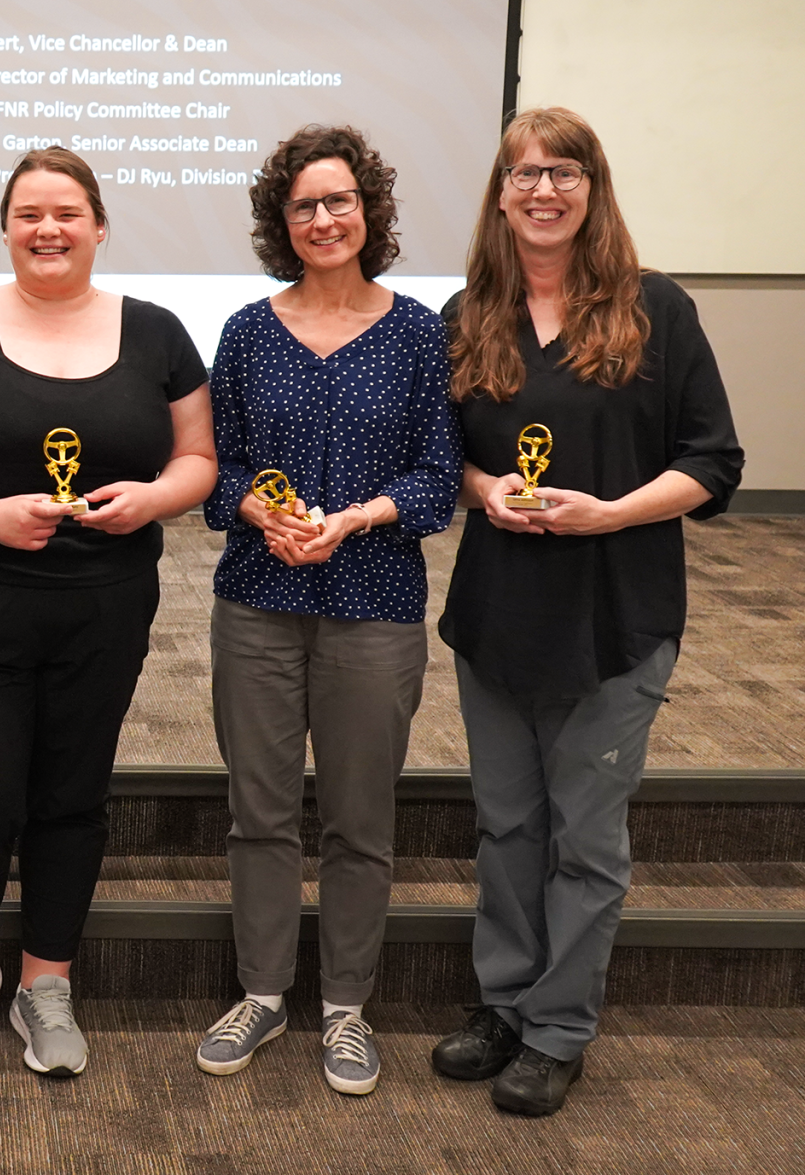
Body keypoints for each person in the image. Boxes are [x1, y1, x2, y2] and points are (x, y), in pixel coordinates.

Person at [429, 108, 743, 1116]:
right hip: (497, 613)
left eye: (561, 172)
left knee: (585, 840)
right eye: (522, 175)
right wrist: (485, 492)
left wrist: (608, 513)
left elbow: (711, 462)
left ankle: (558, 1029)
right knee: (505, 826)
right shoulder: (466, 312)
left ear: (590, 187)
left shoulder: (656, 309)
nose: (541, 191)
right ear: (499, 194)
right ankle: (505, 1006)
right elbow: (448, 463)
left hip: (616, 615)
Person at [0, 147, 217, 1077]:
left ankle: (45, 981)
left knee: (71, 797)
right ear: (6, 227)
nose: (48, 229)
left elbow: (198, 456)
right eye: (29, 213)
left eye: (67, 212)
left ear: (100, 225)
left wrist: (154, 499)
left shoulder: (155, 331)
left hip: (104, 604)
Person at [195, 126, 461, 1093]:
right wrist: (255, 508)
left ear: (370, 211)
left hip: (374, 603)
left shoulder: (422, 332)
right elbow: (213, 473)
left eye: (338, 200)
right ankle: (263, 993)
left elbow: (440, 479)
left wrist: (356, 518)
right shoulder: (246, 331)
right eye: (303, 204)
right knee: (258, 812)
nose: (322, 218)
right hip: (257, 602)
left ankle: (346, 1007)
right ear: (282, 220)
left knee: (359, 818)